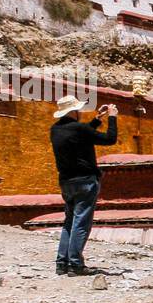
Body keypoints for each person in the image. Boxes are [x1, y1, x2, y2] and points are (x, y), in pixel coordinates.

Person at [50, 94, 118, 276]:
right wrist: (112, 117)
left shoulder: (55, 130)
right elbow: (110, 139)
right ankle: (75, 264)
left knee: (69, 222)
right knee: (81, 222)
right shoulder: (79, 129)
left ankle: (62, 263)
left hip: (66, 182)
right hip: (85, 181)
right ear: (74, 111)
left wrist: (97, 119)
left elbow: (81, 134)